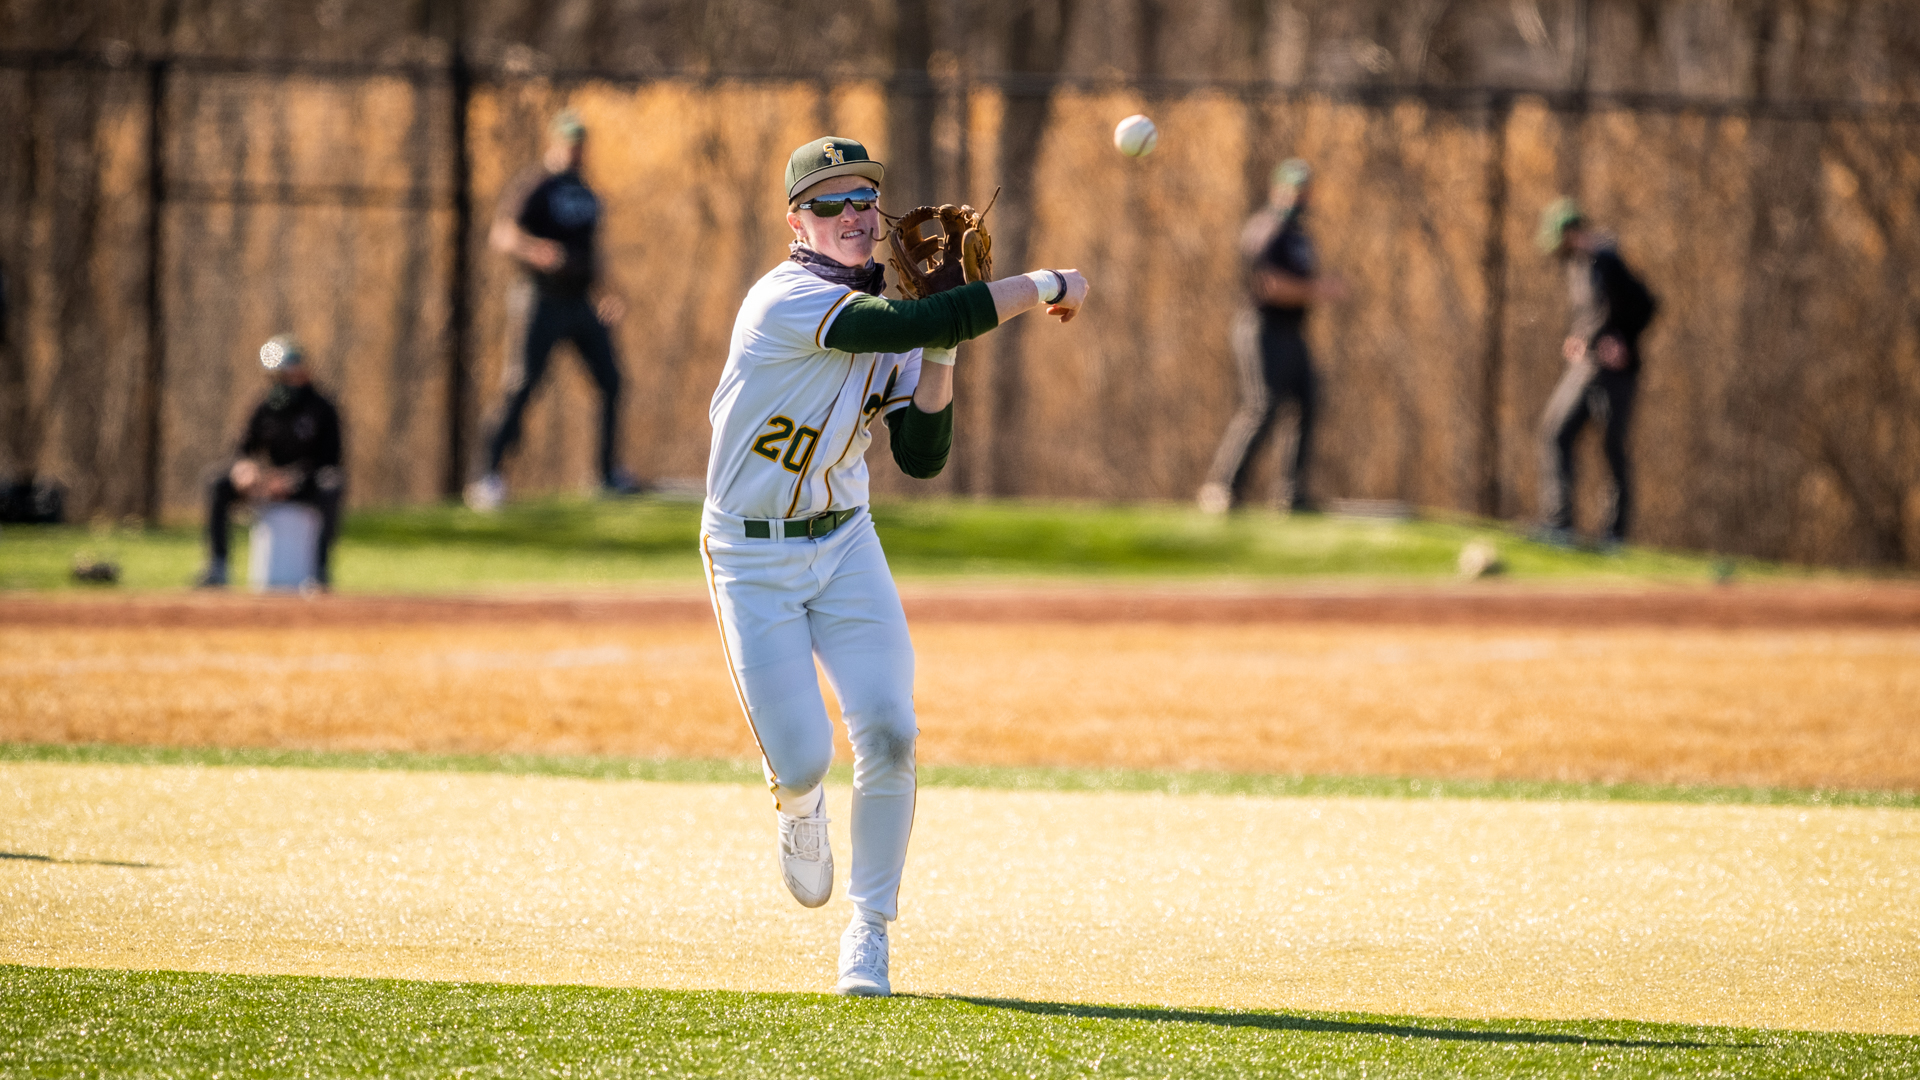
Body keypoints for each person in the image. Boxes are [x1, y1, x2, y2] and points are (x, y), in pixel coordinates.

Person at [701, 136, 1088, 997]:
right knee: (803, 760)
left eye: (865, 201)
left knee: (890, 731)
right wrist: (1047, 285)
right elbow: (913, 323)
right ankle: (798, 807)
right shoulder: (784, 301)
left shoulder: (898, 319)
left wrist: (946, 344)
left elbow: (920, 456)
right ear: (796, 221)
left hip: (845, 543)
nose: (857, 216)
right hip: (750, 553)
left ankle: (869, 933)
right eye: (833, 203)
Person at [467, 109, 638, 511]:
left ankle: (607, 474)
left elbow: (593, 251)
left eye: (580, 144)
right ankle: (486, 476)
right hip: (540, 299)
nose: (575, 151)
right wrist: (537, 252)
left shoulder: (587, 192)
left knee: (611, 381)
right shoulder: (537, 186)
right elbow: (503, 234)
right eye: (569, 143)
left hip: (580, 301)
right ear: (554, 143)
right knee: (521, 385)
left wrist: (608, 291)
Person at [1197, 158, 1347, 515]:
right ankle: (1223, 488)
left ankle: (1291, 494)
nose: (1301, 195)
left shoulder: (1300, 236)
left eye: (1305, 188)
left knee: (1307, 403)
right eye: (1293, 188)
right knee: (1262, 406)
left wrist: (1314, 291)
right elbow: (1271, 286)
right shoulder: (1268, 230)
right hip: (1262, 329)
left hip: (1293, 332)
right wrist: (1319, 290)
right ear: (1278, 189)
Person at [1534, 198, 1657, 547]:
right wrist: (1579, 338)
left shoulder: (1608, 260)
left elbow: (1646, 306)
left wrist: (1624, 341)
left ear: (1571, 233)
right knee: (1555, 432)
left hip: (1616, 374)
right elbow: (1593, 313)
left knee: (1612, 446)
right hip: (1586, 367)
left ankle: (1615, 535)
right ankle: (1558, 525)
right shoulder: (1578, 265)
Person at [194, 334, 343, 588]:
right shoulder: (265, 407)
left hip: (305, 483)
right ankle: (218, 566)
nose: (280, 383)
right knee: (217, 482)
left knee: (331, 485)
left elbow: (331, 459)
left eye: (285, 375)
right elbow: (243, 449)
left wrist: (292, 479)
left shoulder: (321, 408)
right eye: (275, 377)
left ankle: (319, 571)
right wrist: (245, 468)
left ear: (301, 372)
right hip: (266, 484)